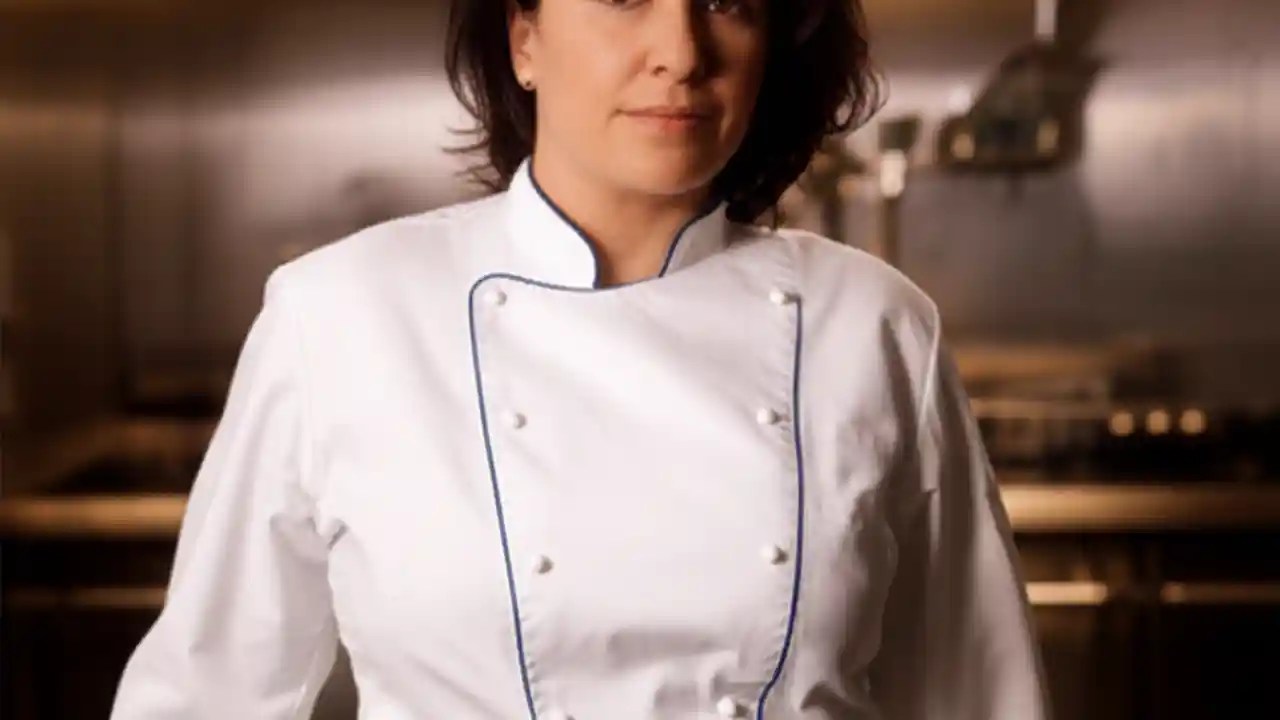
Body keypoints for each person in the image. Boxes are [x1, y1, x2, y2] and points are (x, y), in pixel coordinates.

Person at [110, 0, 1053, 718]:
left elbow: (981, 694)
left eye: (727, 0)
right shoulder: (340, 316)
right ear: (524, 37)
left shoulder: (876, 325)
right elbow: (205, 695)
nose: (681, 52)